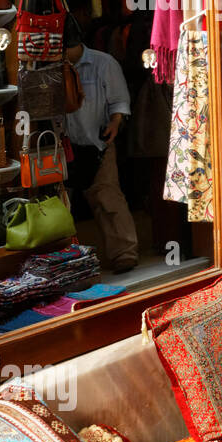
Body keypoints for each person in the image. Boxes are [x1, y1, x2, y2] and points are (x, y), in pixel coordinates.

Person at [63, 17, 139, 273]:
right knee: (61, 205)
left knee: (107, 198)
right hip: (63, 146)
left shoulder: (103, 63)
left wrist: (116, 123)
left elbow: (119, 101)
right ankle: (66, 263)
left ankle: (124, 254)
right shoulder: (51, 66)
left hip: (98, 142)